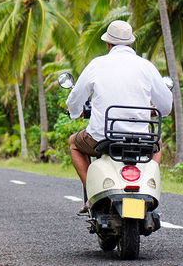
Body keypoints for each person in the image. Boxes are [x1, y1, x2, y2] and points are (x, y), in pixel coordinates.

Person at [65, 20, 173, 212]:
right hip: (141, 139)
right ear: (130, 43)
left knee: (74, 143)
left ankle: (92, 196)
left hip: (102, 138)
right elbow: (165, 106)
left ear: (108, 44)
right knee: (157, 145)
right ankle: (148, 187)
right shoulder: (146, 66)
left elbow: (75, 98)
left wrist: (75, 113)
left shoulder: (97, 65)